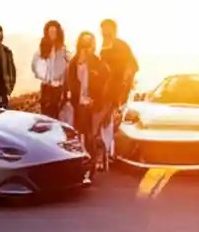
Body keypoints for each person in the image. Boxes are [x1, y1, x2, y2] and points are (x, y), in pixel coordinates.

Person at [65, 31, 109, 175]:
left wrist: (96, 97)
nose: (86, 46)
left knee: (90, 134)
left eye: (89, 42)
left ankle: (92, 164)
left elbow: (104, 79)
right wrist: (72, 97)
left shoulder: (96, 61)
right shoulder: (74, 61)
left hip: (92, 103)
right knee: (79, 132)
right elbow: (70, 81)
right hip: (79, 102)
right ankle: (80, 161)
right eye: (84, 42)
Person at [97, 18, 138, 165]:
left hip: (116, 90)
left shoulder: (121, 45)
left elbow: (133, 66)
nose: (104, 32)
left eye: (107, 28)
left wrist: (125, 83)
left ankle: (109, 154)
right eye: (102, 29)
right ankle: (107, 154)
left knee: (109, 120)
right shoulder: (102, 46)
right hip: (103, 90)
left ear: (114, 30)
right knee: (105, 122)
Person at [31, 20, 70, 119]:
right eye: (50, 32)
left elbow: (69, 66)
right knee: (47, 116)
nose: (52, 34)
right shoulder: (42, 49)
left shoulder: (63, 49)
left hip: (59, 88)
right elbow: (35, 65)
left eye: (54, 32)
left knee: (58, 115)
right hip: (47, 88)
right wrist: (45, 77)